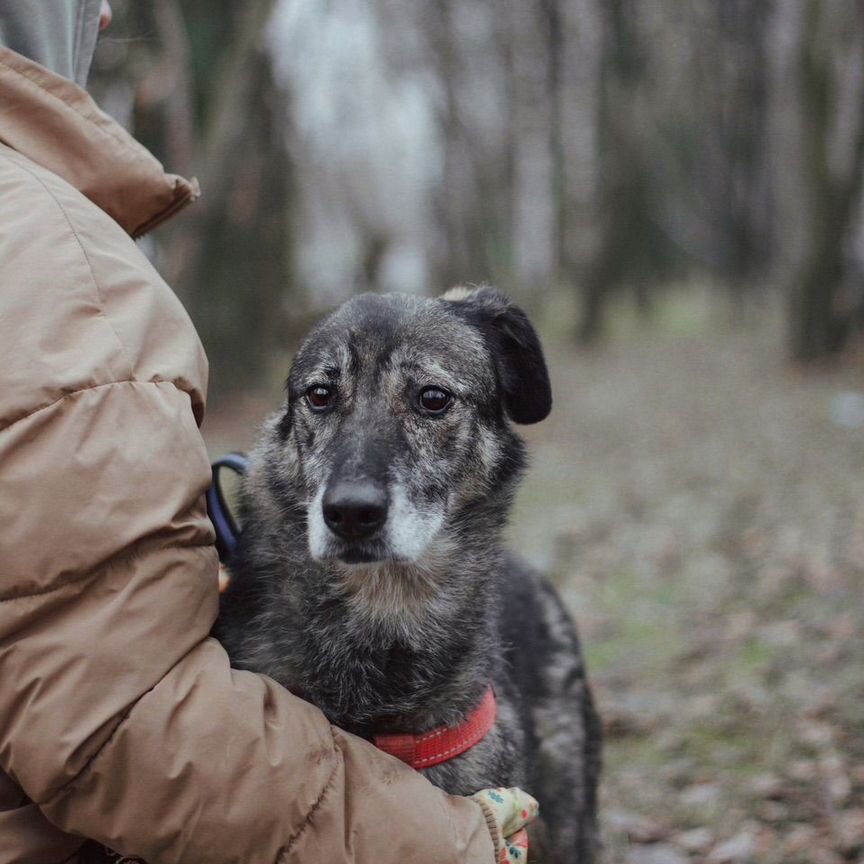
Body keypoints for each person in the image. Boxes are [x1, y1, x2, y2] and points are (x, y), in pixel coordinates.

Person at [0, 2, 537, 862]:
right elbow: (120, 726)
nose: (105, 12)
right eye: (323, 400)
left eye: (429, 404)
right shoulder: (54, 251)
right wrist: (451, 846)